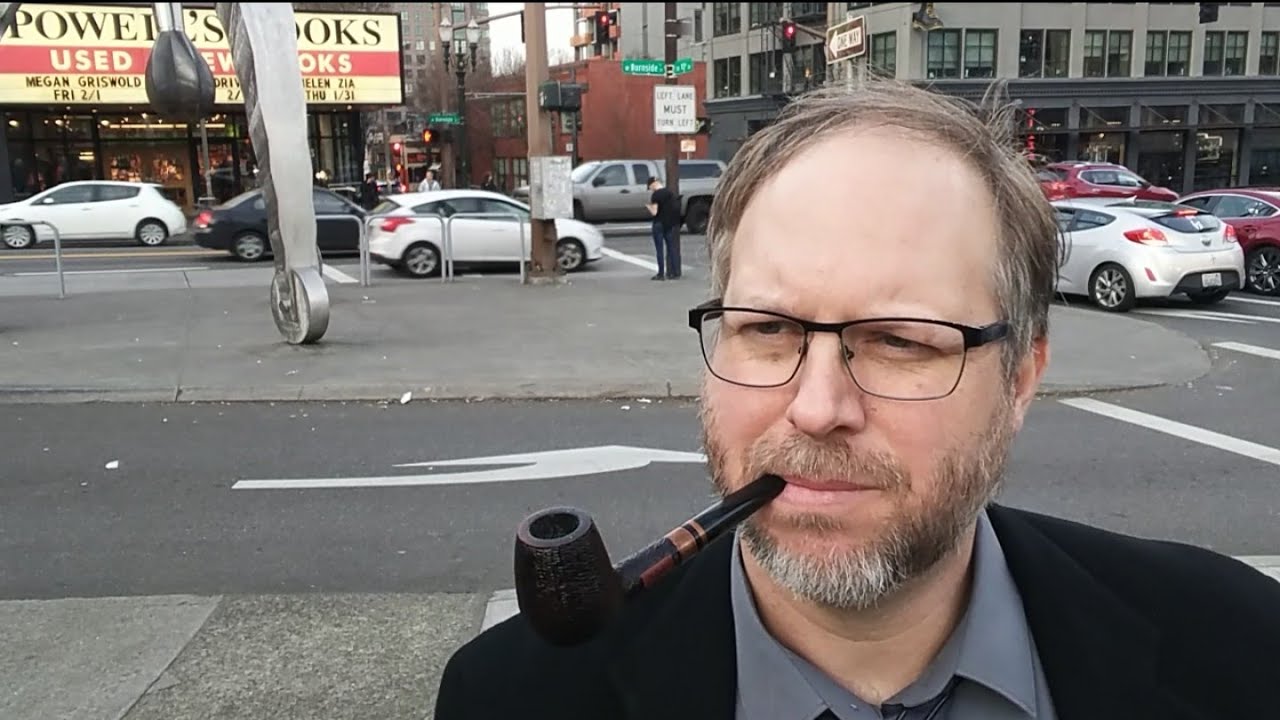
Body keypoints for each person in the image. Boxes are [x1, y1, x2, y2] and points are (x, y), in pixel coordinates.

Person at [433, 78, 1280, 719]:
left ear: (1020, 378)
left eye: (902, 341)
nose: (815, 405)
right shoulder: (514, 697)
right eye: (767, 329)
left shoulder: (1238, 647)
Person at [646, 175, 682, 280]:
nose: (650, 189)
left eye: (649, 187)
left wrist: (649, 207)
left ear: (652, 184)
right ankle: (675, 272)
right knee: (671, 248)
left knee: (659, 250)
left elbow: (655, 212)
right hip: (669, 224)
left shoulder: (655, 195)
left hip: (658, 224)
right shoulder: (669, 193)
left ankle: (661, 273)